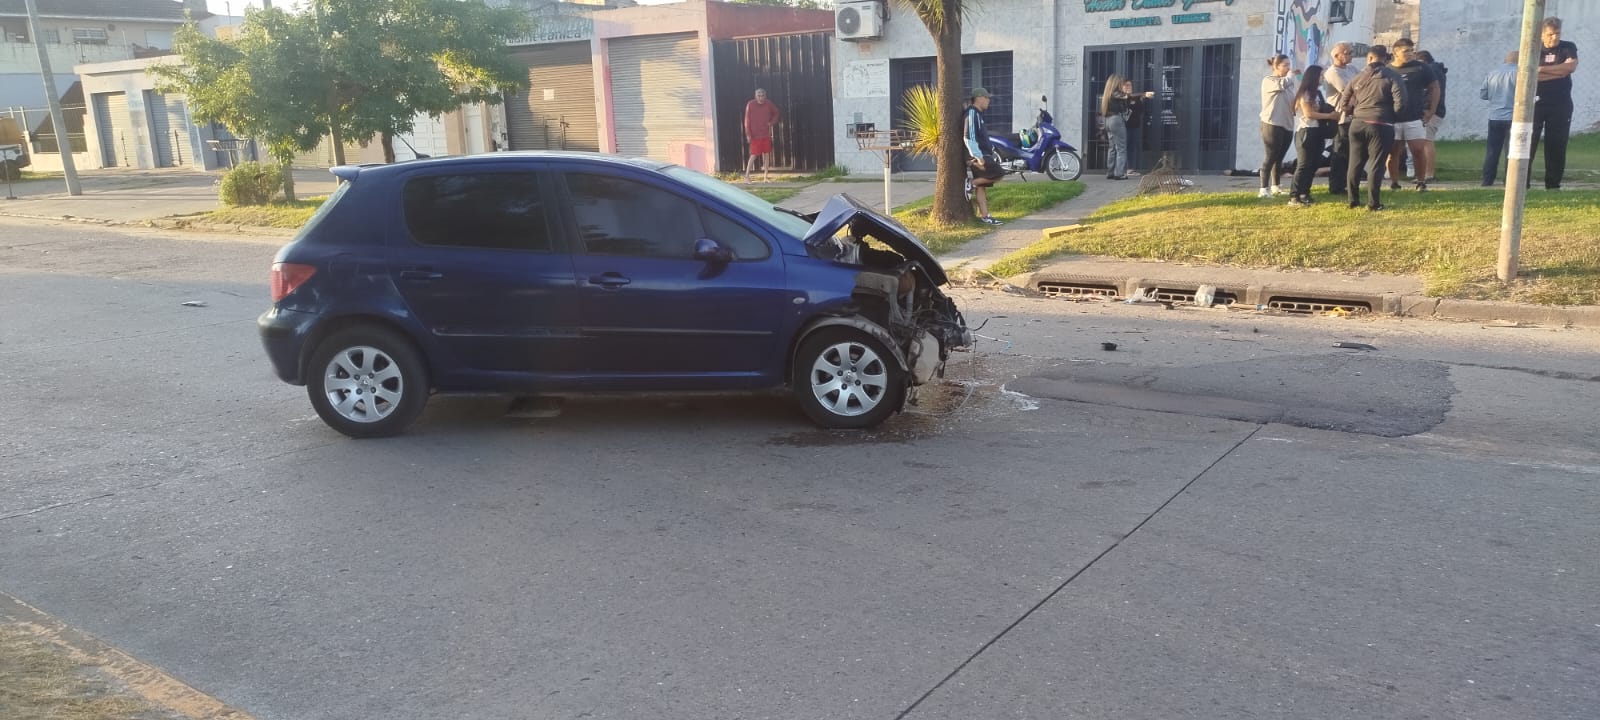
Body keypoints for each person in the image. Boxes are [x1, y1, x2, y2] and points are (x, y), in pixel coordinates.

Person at [1342, 45, 1407, 211]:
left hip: (1357, 123)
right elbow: (1401, 102)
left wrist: (1352, 113)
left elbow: (1344, 101)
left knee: (1354, 163)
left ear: (1369, 58)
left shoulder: (1357, 78)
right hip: (1381, 123)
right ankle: (1373, 203)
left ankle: (1353, 200)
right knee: (1376, 164)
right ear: (1385, 59)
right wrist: (1392, 117)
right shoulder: (1392, 76)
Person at [1530, 17, 1579, 190]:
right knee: (1529, 142)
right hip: (1536, 103)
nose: (1554, 38)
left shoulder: (1568, 47)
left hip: (1561, 104)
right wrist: (1559, 72)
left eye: (1557, 33)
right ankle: (1523, 182)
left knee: (1556, 144)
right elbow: (1530, 75)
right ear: (1542, 34)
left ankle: (1552, 184)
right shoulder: (1533, 49)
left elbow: (1570, 68)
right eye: (1550, 34)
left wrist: (1542, 70)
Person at [1386, 39, 1438, 192]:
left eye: (1411, 51)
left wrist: (1431, 110)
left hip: (1415, 117)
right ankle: (1394, 182)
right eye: (1406, 51)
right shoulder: (1388, 70)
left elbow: (1435, 87)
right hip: (1393, 118)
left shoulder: (1422, 68)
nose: (1410, 54)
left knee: (1417, 150)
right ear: (1395, 53)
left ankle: (1421, 182)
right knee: (1393, 152)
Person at [1289, 66, 1340, 207]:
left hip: (1318, 131)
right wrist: (1330, 115)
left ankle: (1305, 193)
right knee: (1304, 164)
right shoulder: (1305, 93)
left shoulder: (1317, 93)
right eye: (1321, 75)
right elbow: (1308, 113)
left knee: (1313, 164)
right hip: (1306, 131)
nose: (1322, 78)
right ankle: (1294, 196)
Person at [1322, 42, 1360, 196]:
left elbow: (1363, 82)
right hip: (1340, 117)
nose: (1351, 55)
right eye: (1348, 52)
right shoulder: (1333, 72)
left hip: (1354, 115)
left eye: (1351, 52)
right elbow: (1348, 90)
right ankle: (1336, 185)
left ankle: (1348, 183)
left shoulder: (1352, 68)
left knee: (1352, 152)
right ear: (1337, 56)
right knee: (1340, 151)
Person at [963, 87, 1005, 225]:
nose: (989, 101)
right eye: (987, 98)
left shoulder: (978, 114)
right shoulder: (972, 113)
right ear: (979, 98)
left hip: (982, 154)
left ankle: (985, 216)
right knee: (999, 173)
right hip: (978, 156)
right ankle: (971, 183)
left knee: (982, 186)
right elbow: (969, 136)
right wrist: (978, 156)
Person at [1259, 54, 1296, 198]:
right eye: (1285, 65)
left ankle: (1276, 186)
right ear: (1276, 66)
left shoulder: (1288, 83)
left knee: (1279, 157)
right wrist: (1291, 76)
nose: (1288, 68)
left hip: (1287, 124)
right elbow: (1282, 84)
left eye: (1289, 65)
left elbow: (1292, 100)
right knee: (1270, 156)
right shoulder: (1269, 81)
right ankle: (1263, 189)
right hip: (1271, 123)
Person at [1480, 51, 1519, 186]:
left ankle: (1487, 179)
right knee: (1512, 150)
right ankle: (1509, 179)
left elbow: (1484, 94)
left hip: (1495, 116)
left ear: (1505, 60)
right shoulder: (1521, 73)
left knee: (1492, 150)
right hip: (1514, 117)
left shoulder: (1492, 73)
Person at [1417, 50, 1448, 183]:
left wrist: (1427, 109)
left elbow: (1431, 92)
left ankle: (1428, 174)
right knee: (1425, 140)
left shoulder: (1431, 71)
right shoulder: (1437, 70)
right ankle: (1425, 173)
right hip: (1435, 110)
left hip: (1431, 111)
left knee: (1426, 141)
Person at [1100, 74, 1134, 181]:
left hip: (1107, 120)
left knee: (1112, 147)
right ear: (1116, 84)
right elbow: (1126, 96)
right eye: (1120, 83)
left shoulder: (1108, 94)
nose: (1121, 85)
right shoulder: (1116, 93)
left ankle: (1110, 172)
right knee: (1121, 148)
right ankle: (1120, 173)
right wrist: (1144, 94)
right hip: (1116, 120)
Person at [742, 88, 780, 183]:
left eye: (762, 95)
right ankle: (746, 177)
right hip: (754, 135)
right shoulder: (750, 104)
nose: (760, 97)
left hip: (765, 134)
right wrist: (748, 134)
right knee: (754, 155)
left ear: (765, 96)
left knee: (766, 155)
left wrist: (771, 122)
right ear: (755, 96)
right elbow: (747, 121)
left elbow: (776, 113)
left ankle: (765, 177)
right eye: (758, 95)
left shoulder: (768, 104)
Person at [1120, 79, 1154, 176]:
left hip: (1134, 126)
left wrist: (1141, 98)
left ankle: (1130, 169)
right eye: (1126, 85)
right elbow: (1127, 98)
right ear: (1121, 87)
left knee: (1131, 147)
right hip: (1124, 127)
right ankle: (1121, 169)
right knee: (1123, 147)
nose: (1128, 87)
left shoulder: (1136, 98)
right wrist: (1143, 94)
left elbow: (1140, 109)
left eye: (1130, 85)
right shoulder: (1120, 97)